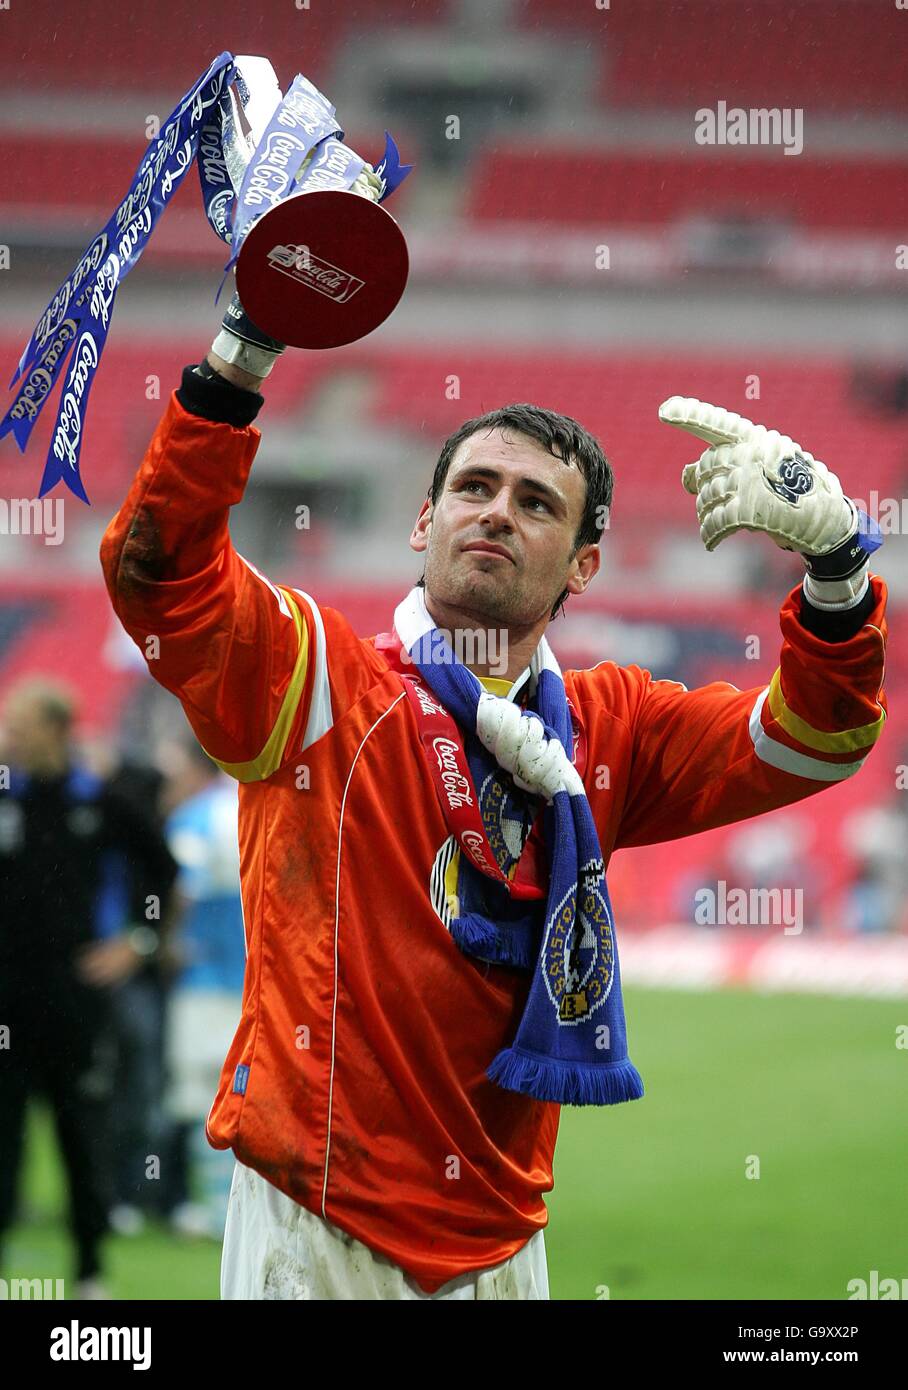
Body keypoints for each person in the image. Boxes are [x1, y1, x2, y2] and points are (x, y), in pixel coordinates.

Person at [98, 291, 889, 1300]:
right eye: (474, 486)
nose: (496, 511)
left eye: (535, 502)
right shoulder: (320, 682)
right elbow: (158, 576)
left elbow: (812, 741)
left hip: (507, 1233)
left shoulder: (612, 727)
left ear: (584, 564)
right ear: (426, 518)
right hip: (323, 1218)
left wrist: (834, 573)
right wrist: (238, 356)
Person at [0, 677, 178, 1298]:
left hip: (75, 1000)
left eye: (18, 727)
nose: (8, 738)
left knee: (81, 1134)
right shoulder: (4, 797)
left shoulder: (98, 801)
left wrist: (140, 941)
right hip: (6, 1002)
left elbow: (164, 869)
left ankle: (90, 1271)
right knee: (2, 1139)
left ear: (54, 730)